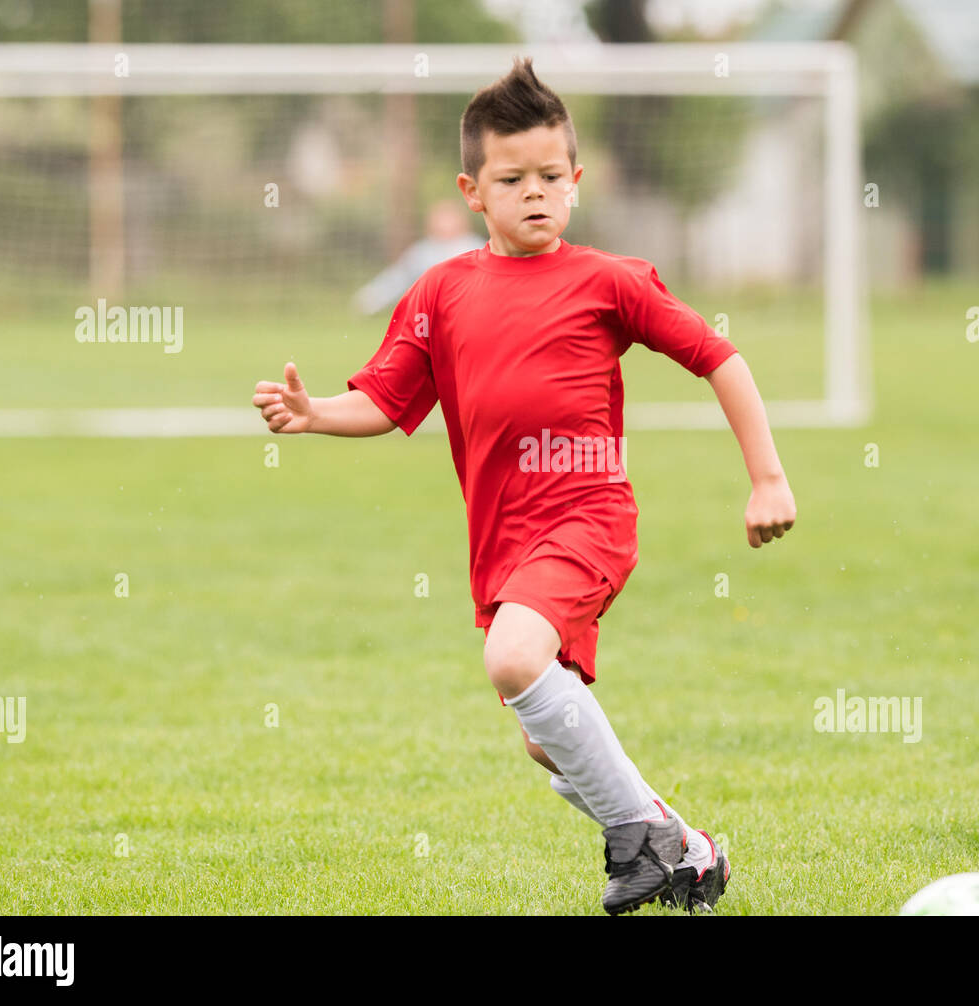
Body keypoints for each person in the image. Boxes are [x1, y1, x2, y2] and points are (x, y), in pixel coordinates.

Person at [252, 57, 796, 915]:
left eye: (551, 176)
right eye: (513, 179)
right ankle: (687, 853)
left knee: (511, 660)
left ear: (576, 181)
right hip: (501, 546)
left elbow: (719, 357)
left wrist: (767, 477)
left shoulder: (608, 281)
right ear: (473, 190)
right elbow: (388, 401)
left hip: (589, 517)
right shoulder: (440, 293)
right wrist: (313, 412)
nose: (534, 193)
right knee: (553, 745)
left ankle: (642, 846)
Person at [352, 199, 485, 316]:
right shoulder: (423, 252)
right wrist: (368, 301)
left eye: (449, 219)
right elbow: (396, 279)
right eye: (441, 219)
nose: (445, 224)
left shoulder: (476, 248)